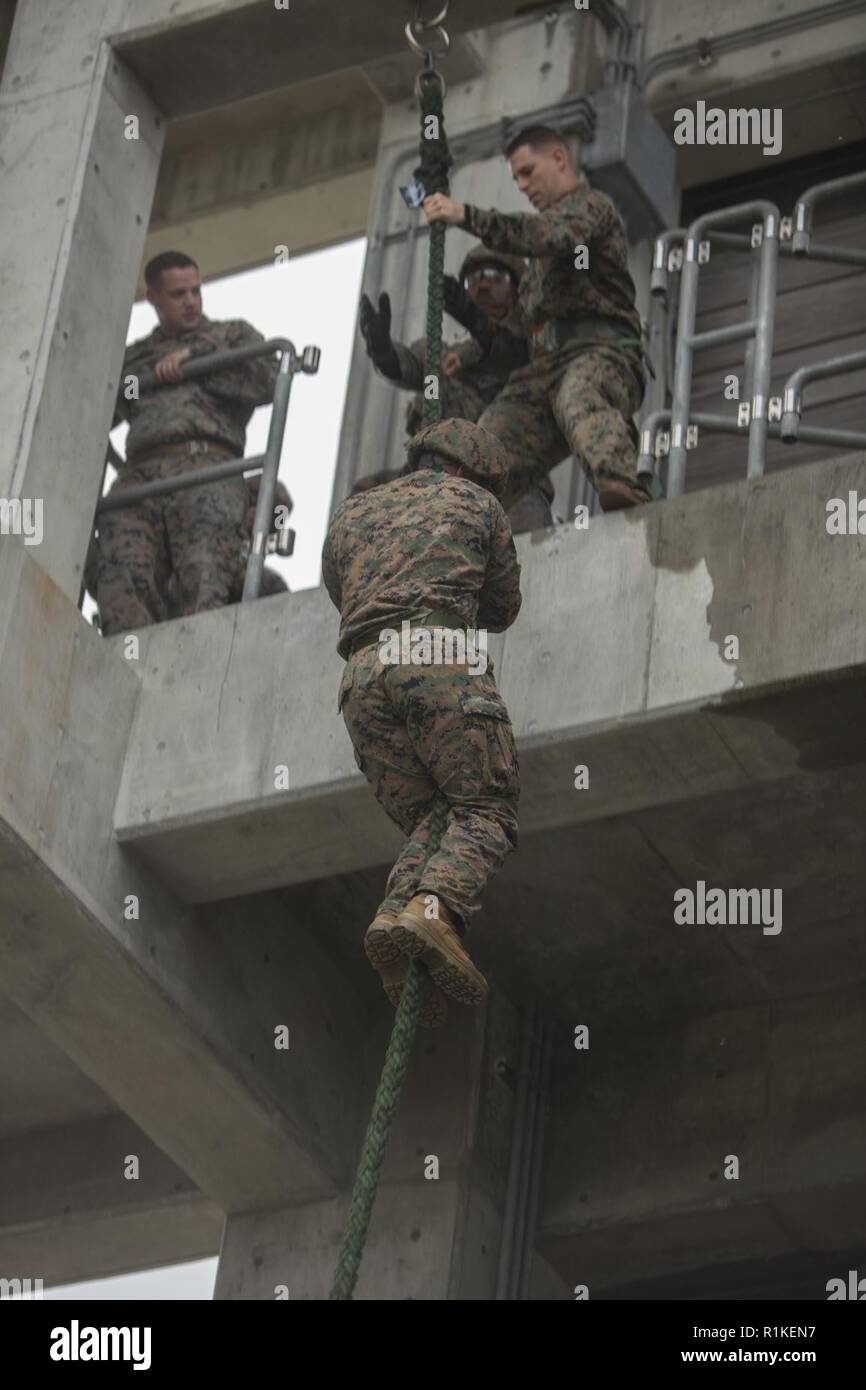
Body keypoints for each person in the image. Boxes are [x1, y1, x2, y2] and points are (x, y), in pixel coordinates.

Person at [322, 419, 521, 1029]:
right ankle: (436, 909)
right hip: (434, 653)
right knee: (487, 806)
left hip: (360, 675)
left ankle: (396, 915)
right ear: (469, 472)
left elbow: (339, 586)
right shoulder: (476, 504)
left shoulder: (352, 515)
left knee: (431, 816)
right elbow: (502, 607)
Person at [423, 124, 652, 513]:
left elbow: (550, 236)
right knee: (484, 450)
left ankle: (627, 487)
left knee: (579, 394)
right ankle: (463, 536)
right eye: (516, 179)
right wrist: (472, 327)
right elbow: (518, 331)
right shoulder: (537, 270)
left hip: (602, 353)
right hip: (544, 369)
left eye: (528, 172)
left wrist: (465, 215)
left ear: (559, 159)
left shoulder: (590, 209)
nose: (523, 186)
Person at [96, 250, 280, 634]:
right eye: (178, 294)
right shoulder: (134, 358)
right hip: (140, 476)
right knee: (122, 578)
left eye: (196, 290)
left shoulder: (231, 335)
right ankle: (125, 674)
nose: (191, 301)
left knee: (205, 578)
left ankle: (200, 678)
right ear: (154, 297)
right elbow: (89, 415)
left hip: (207, 470)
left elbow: (268, 381)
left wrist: (197, 358)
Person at [358, 246, 554, 533]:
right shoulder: (444, 355)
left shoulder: (534, 345)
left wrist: (477, 321)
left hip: (507, 487)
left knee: (525, 528)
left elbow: (509, 351)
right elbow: (410, 367)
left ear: (516, 288)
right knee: (364, 499)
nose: (482, 284)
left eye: (494, 276)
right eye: (472, 280)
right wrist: (383, 351)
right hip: (437, 487)